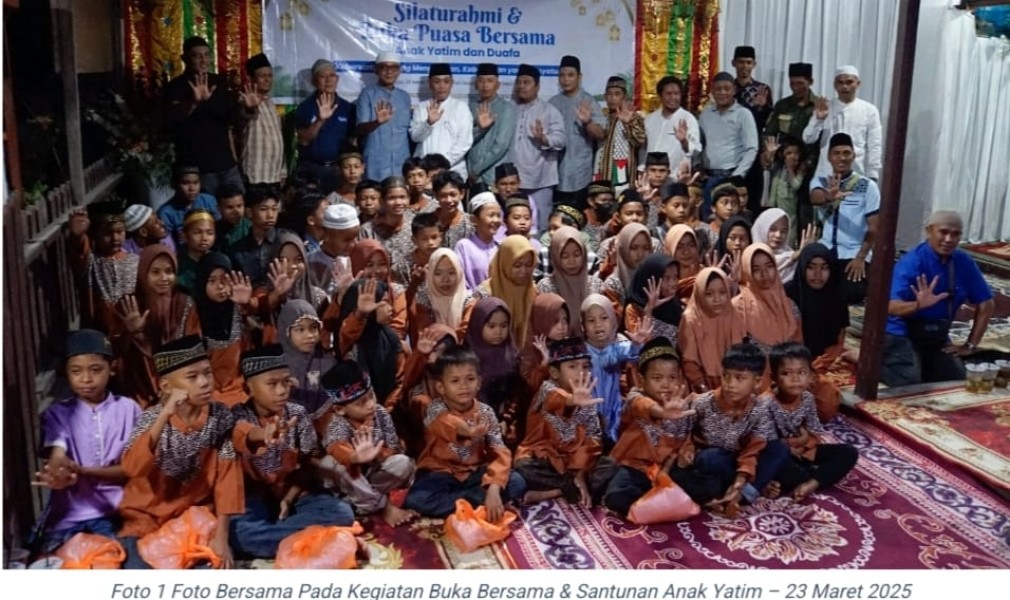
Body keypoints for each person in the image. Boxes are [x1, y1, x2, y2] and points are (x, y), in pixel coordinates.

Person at [117, 335, 244, 569]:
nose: (205, 382)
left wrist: (221, 536)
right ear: (166, 386)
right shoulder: (151, 419)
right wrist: (165, 413)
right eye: (192, 377)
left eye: (207, 373)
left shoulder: (219, 416)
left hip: (194, 517)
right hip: (147, 518)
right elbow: (132, 467)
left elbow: (227, 477)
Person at [229, 345, 355, 559]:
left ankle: (282, 538)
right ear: (247, 387)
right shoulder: (235, 417)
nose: (282, 390)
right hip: (254, 500)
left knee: (343, 513)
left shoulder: (297, 413)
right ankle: (316, 538)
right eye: (272, 384)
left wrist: (288, 499)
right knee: (239, 534)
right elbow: (244, 437)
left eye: (286, 382)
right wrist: (262, 433)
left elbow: (306, 466)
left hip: (293, 495)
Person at [32, 329, 141, 554]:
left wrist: (82, 471)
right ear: (66, 373)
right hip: (67, 516)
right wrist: (58, 471)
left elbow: (134, 468)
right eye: (76, 371)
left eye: (95, 370)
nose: (86, 379)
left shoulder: (128, 409)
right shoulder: (58, 414)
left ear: (112, 368)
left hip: (113, 511)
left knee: (108, 560)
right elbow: (58, 451)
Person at [402, 347, 527, 520]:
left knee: (517, 482)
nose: (464, 386)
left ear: (479, 382)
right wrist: (467, 431)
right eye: (455, 381)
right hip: (441, 472)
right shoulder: (434, 409)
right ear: (441, 387)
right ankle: (476, 501)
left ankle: (470, 502)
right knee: (417, 499)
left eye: (470, 379)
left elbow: (499, 451)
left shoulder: (486, 412)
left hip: (474, 472)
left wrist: (494, 487)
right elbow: (444, 423)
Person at [670, 342, 789, 515]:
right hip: (712, 461)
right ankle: (754, 487)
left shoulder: (760, 409)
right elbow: (682, 432)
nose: (730, 384)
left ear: (756, 382)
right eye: (726, 376)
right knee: (709, 460)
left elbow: (753, 450)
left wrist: (740, 481)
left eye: (739, 378)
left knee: (780, 450)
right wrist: (687, 448)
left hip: (739, 459)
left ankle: (738, 496)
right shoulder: (701, 402)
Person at [882, 210, 995, 387]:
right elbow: (889, 307)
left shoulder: (963, 261)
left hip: (936, 334)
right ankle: (866, 359)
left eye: (955, 234)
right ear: (929, 231)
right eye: (943, 232)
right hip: (901, 333)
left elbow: (986, 304)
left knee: (956, 379)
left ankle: (923, 362)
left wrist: (970, 345)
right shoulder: (911, 263)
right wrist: (918, 305)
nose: (949, 239)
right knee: (909, 382)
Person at [603, 336, 696, 516]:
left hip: (667, 470)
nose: (666, 384)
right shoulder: (634, 397)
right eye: (657, 378)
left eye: (672, 378)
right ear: (642, 380)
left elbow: (686, 441)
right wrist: (662, 413)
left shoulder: (682, 406)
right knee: (616, 496)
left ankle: (653, 504)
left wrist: (682, 458)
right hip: (635, 468)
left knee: (705, 485)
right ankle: (658, 504)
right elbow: (642, 405)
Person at [319, 360, 417, 526]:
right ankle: (384, 506)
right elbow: (336, 448)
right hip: (349, 479)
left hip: (372, 476)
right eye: (360, 403)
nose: (371, 404)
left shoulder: (380, 413)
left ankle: (360, 501)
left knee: (404, 463)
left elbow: (394, 448)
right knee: (331, 464)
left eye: (371, 395)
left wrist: (377, 454)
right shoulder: (337, 423)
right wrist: (355, 457)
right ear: (340, 409)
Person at [514, 337, 608, 506]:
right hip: (545, 457)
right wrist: (572, 400)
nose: (581, 372)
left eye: (585, 367)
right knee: (523, 467)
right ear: (555, 373)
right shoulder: (547, 389)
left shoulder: (587, 398)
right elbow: (555, 400)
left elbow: (593, 439)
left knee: (610, 466)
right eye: (572, 367)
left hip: (574, 461)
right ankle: (564, 489)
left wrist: (579, 473)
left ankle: (559, 490)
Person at [764, 343, 858, 501]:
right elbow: (761, 443)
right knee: (783, 464)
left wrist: (804, 445)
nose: (795, 379)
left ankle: (812, 483)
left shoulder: (807, 398)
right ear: (774, 377)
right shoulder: (766, 403)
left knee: (848, 452)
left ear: (811, 377)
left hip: (801, 452)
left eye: (801, 373)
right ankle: (799, 478)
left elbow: (814, 433)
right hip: (776, 455)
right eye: (787, 373)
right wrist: (791, 445)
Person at [115, 246, 201, 408]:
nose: (164, 278)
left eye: (169, 271)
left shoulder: (183, 303)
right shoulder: (130, 305)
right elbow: (115, 355)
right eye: (155, 272)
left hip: (180, 384)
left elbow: (194, 348)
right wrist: (130, 332)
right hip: (140, 389)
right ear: (142, 274)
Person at [163, 36, 243, 195]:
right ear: (184, 58)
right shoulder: (175, 86)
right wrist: (194, 102)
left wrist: (246, 108)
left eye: (206, 55)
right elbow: (171, 119)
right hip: (198, 168)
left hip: (226, 164)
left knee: (237, 210)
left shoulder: (219, 82)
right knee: (206, 214)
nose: (203, 60)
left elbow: (229, 123)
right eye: (197, 55)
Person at [810, 133, 880, 304]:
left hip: (854, 253)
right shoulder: (820, 181)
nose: (842, 158)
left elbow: (874, 228)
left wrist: (861, 257)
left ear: (853, 155)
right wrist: (829, 197)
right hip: (825, 251)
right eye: (837, 153)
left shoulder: (868, 186)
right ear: (829, 157)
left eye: (846, 153)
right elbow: (815, 197)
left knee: (851, 295)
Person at [580, 294, 651, 448]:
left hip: (613, 404)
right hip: (587, 406)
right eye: (591, 320)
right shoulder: (580, 350)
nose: (598, 325)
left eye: (604, 318)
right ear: (583, 326)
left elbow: (632, 356)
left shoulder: (618, 345)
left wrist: (636, 345)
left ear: (613, 321)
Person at [508, 64, 566, 233]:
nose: (521, 86)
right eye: (519, 82)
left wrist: (544, 138)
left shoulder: (549, 110)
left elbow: (561, 139)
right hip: (513, 180)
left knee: (539, 226)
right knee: (513, 224)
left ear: (537, 87)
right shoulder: (509, 109)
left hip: (541, 180)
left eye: (526, 82)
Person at [68, 199, 139, 335]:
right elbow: (79, 250)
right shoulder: (91, 262)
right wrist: (77, 236)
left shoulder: (135, 260)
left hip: (130, 328)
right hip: (100, 331)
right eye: (107, 233)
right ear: (95, 235)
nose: (115, 238)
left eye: (120, 231)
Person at [803, 65, 882, 181]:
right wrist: (818, 119)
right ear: (835, 85)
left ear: (858, 84)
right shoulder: (825, 107)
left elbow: (874, 145)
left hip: (856, 172)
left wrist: (873, 174)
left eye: (849, 82)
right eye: (840, 82)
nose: (845, 86)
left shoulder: (869, 110)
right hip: (827, 173)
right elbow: (808, 138)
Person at [336, 279, 405, 410]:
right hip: (354, 411)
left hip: (386, 412)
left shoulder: (390, 337)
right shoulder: (350, 339)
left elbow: (400, 380)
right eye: (384, 303)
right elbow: (348, 334)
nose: (390, 308)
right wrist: (361, 313)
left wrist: (386, 410)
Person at [698, 72, 758, 221]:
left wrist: (737, 176)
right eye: (718, 89)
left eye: (727, 88)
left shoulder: (743, 114)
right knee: (708, 219)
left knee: (731, 222)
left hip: (731, 176)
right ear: (712, 91)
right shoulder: (705, 114)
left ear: (734, 90)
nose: (722, 92)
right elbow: (699, 144)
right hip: (709, 178)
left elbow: (752, 148)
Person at [194, 253, 252, 407]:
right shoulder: (194, 315)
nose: (220, 286)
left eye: (225, 280)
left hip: (238, 388)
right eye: (212, 281)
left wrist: (246, 307)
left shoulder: (238, 311)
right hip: (205, 392)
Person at [550, 55, 606, 210]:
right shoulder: (552, 103)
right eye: (562, 75)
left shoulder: (588, 101)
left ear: (579, 77)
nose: (565, 80)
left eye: (570, 75)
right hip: (557, 174)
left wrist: (587, 122)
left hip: (582, 175)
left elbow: (601, 135)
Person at [464, 298, 526, 440]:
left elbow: (516, 393)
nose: (498, 332)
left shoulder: (512, 354)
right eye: (491, 326)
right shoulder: (467, 358)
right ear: (478, 325)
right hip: (474, 421)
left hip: (508, 421)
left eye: (504, 326)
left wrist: (506, 419)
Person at [679, 268, 746, 393]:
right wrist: (705, 390)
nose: (717, 299)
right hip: (704, 386)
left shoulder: (733, 313)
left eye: (722, 292)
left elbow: (741, 351)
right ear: (699, 294)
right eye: (709, 294)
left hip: (735, 381)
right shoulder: (690, 318)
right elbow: (689, 362)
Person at [295, 59, 356, 192]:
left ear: (337, 79)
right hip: (311, 171)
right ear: (314, 81)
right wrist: (320, 120)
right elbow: (304, 140)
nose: (328, 80)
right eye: (322, 76)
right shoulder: (306, 107)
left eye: (332, 75)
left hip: (338, 172)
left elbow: (353, 141)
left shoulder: (347, 108)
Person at [278, 299, 337, 434]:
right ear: (286, 331)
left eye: (314, 328)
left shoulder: (326, 361)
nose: (309, 335)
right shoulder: (275, 366)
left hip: (323, 432)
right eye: (300, 329)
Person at [409, 63, 473, 178]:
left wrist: (443, 164)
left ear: (451, 83)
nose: (441, 86)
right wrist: (428, 123)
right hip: (425, 172)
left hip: (453, 170)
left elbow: (464, 142)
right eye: (437, 82)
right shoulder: (421, 107)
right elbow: (415, 137)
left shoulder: (460, 107)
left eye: (446, 81)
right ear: (430, 84)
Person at [355, 52, 411, 181]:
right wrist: (377, 122)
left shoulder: (404, 97)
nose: (389, 72)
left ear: (399, 71)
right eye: (384, 67)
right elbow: (359, 130)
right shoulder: (367, 94)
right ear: (376, 70)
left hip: (401, 164)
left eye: (394, 68)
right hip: (376, 164)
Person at [536, 226, 601, 337]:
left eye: (577, 254)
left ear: (584, 254)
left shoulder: (596, 284)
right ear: (555, 257)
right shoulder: (546, 287)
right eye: (565, 256)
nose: (572, 261)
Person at [732, 46, 774, 213]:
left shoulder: (762, 89)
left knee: (753, 198)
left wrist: (761, 108)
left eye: (748, 62)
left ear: (754, 64)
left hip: (754, 149)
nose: (744, 66)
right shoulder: (727, 89)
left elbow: (768, 124)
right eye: (741, 62)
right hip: (732, 149)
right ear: (733, 63)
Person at [409, 248, 475, 345]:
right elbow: (424, 334)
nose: (445, 279)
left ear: (459, 273)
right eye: (438, 274)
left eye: (451, 273)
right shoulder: (424, 301)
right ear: (430, 274)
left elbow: (466, 333)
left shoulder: (469, 302)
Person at [239, 53, 285, 188]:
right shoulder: (243, 100)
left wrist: (282, 171)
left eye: (270, 76)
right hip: (256, 174)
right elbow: (244, 115)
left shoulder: (270, 103)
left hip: (274, 173)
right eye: (262, 76)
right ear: (252, 79)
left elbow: (278, 139)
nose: (267, 80)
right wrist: (250, 108)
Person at [468, 63, 518, 187]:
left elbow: (501, 145)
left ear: (498, 85)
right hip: (471, 176)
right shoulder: (470, 107)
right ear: (476, 85)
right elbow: (465, 140)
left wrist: (476, 169)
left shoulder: (506, 109)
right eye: (481, 81)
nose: (485, 86)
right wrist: (480, 129)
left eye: (490, 81)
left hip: (494, 176)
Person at [643, 76, 701, 179]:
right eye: (668, 94)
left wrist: (684, 141)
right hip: (651, 178)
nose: (673, 98)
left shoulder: (688, 119)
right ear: (660, 96)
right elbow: (643, 148)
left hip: (675, 178)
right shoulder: (650, 119)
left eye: (676, 94)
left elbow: (695, 149)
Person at [594, 76, 645, 192]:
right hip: (602, 172)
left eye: (617, 94)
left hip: (623, 173)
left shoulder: (634, 117)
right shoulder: (602, 117)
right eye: (609, 94)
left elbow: (640, 140)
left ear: (624, 96)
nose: (613, 98)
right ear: (605, 97)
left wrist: (628, 123)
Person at [306, 202, 359, 300]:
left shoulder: (356, 258)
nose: (353, 244)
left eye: (355, 238)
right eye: (347, 240)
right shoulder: (310, 263)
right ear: (327, 236)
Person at [359, 176, 415, 268]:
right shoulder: (368, 230)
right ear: (382, 201)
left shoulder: (416, 225)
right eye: (391, 198)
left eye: (402, 197)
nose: (398, 202)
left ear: (409, 199)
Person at [157, 166, 222, 246]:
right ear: (174, 184)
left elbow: (220, 228)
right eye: (185, 183)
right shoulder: (166, 213)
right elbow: (167, 243)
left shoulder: (209, 201)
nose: (192, 188)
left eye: (195, 183)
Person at [751, 207, 815, 285]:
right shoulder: (752, 254)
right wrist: (798, 254)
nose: (778, 235)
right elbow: (775, 261)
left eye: (783, 231)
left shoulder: (789, 252)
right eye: (773, 229)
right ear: (762, 228)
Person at [454, 192, 502, 290]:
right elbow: (459, 281)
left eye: (498, 215)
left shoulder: (500, 247)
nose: (496, 220)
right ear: (474, 219)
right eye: (491, 215)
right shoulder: (464, 246)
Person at [176, 209, 217, 294]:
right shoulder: (177, 265)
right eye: (197, 232)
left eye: (210, 233)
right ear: (184, 236)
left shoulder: (220, 261)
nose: (204, 238)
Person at [213, 184, 252, 254]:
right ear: (219, 209)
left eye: (239, 206)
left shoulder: (251, 228)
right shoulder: (213, 230)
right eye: (230, 207)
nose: (236, 211)